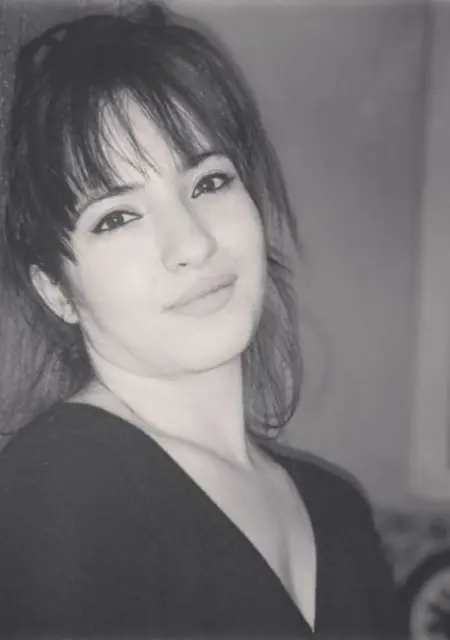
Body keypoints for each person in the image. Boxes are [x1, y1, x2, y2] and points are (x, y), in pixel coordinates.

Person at [0, 2, 402, 638]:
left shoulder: (338, 510)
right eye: (117, 217)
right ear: (56, 289)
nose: (191, 242)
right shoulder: (60, 491)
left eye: (209, 182)